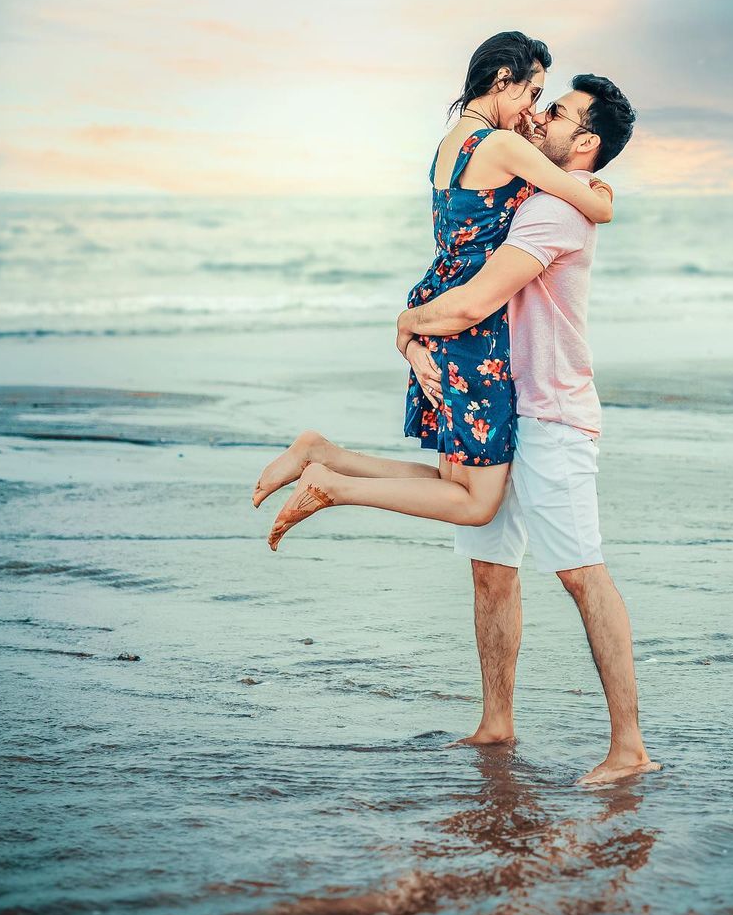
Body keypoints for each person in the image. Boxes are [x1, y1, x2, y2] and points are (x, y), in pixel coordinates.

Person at [396, 75, 660, 786]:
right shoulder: (542, 196)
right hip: (507, 407)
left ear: (586, 143)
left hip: (553, 416)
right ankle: (496, 722)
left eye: (561, 112)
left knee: (581, 573)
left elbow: (478, 298)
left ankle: (629, 747)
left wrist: (408, 324)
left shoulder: (553, 215)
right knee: (491, 572)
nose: (542, 116)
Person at [251, 31, 613, 547]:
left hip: (437, 303)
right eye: (533, 95)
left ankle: (324, 456)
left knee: (454, 485)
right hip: (474, 327)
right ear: (503, 81)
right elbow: (589, 205)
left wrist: (412, 330)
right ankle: (331, 484)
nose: (534, 112)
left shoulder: (450, 146)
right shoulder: (503, 145)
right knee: (477, 502)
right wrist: (603, 190)